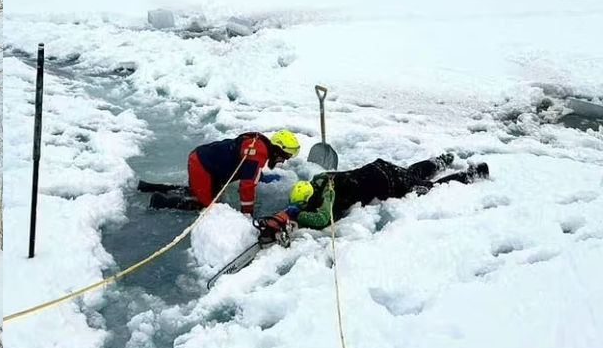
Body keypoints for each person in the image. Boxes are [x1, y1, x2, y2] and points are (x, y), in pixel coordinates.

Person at [255, 153, 491, 243]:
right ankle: (440, 161)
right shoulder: (321, 179)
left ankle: (472, 174)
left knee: (429, 188)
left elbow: (323, 218)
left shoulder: (328, 194)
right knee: (411, 172)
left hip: (387, 183)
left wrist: (298, 215)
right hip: (378, 168)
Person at [141, 129, 299, 213]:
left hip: (206, 162)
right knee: (206, 205)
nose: (283, 161)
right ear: (277, 150)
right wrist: (247, 213)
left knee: (200, 192)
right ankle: (160, 201)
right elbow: (247, 186)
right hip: (201, 166)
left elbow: (248, 167)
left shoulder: (260, 145)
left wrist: (261, 177)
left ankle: (149, 187)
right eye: (284, 156)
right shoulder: (258, 153)